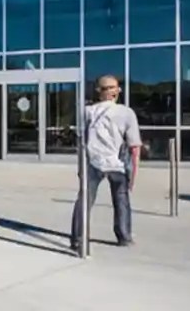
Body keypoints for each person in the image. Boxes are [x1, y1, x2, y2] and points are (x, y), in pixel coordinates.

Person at [71, 75, 141, 249]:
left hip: (93, 162)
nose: (114, 91)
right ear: (117, 91)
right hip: (116, 164)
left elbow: (81, 142)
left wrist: (80, 168)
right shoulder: (126, 112)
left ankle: (78, 239)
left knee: (85, 200)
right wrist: (133, 174)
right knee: (121, 201)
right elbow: (134, 147)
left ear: (98, 92)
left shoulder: (87, 112)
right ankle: (124, 236)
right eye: (113, 88)